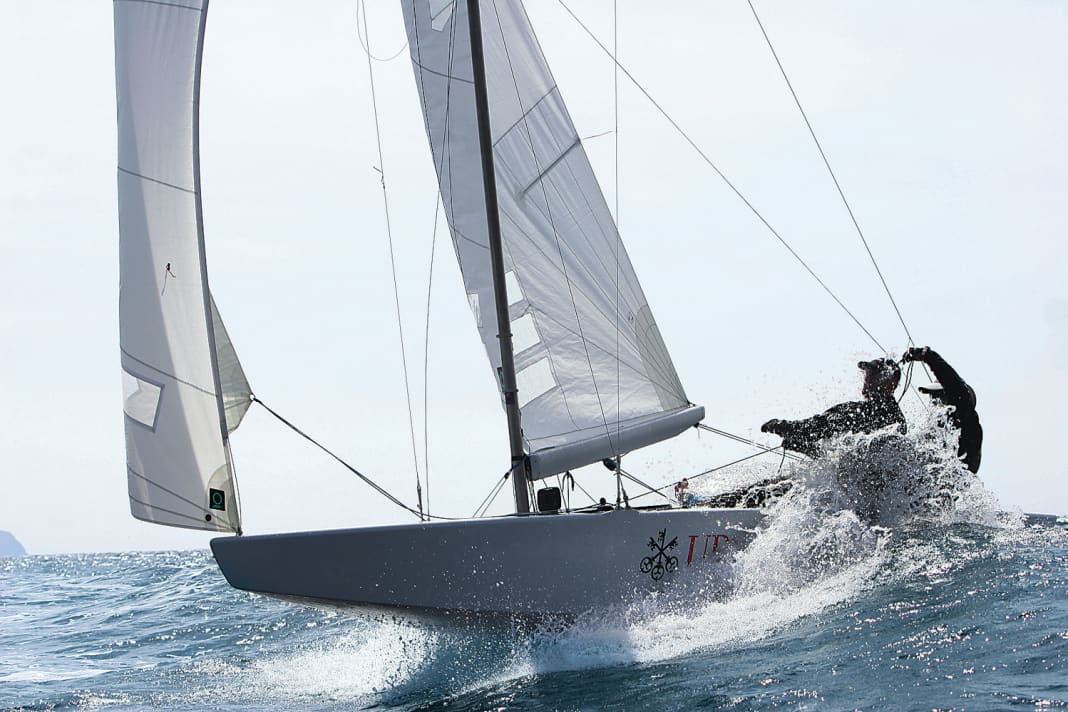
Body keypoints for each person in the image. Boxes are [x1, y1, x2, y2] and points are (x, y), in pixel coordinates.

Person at [760, 358, 906, 458]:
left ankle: (794, 429)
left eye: (872, 378)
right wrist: (806, 448)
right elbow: (833, 460)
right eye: (866, 378)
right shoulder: (889, 415)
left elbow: (827, 423)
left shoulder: (881, 414)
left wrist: (790, 429)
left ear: (890, 383)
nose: (864, 387)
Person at [902, 346, 982, 473]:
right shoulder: (933, 432)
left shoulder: (969, 425)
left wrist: (929, 357)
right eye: (932, 396)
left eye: (940, 396)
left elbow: (957, 391)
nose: (935, 401)